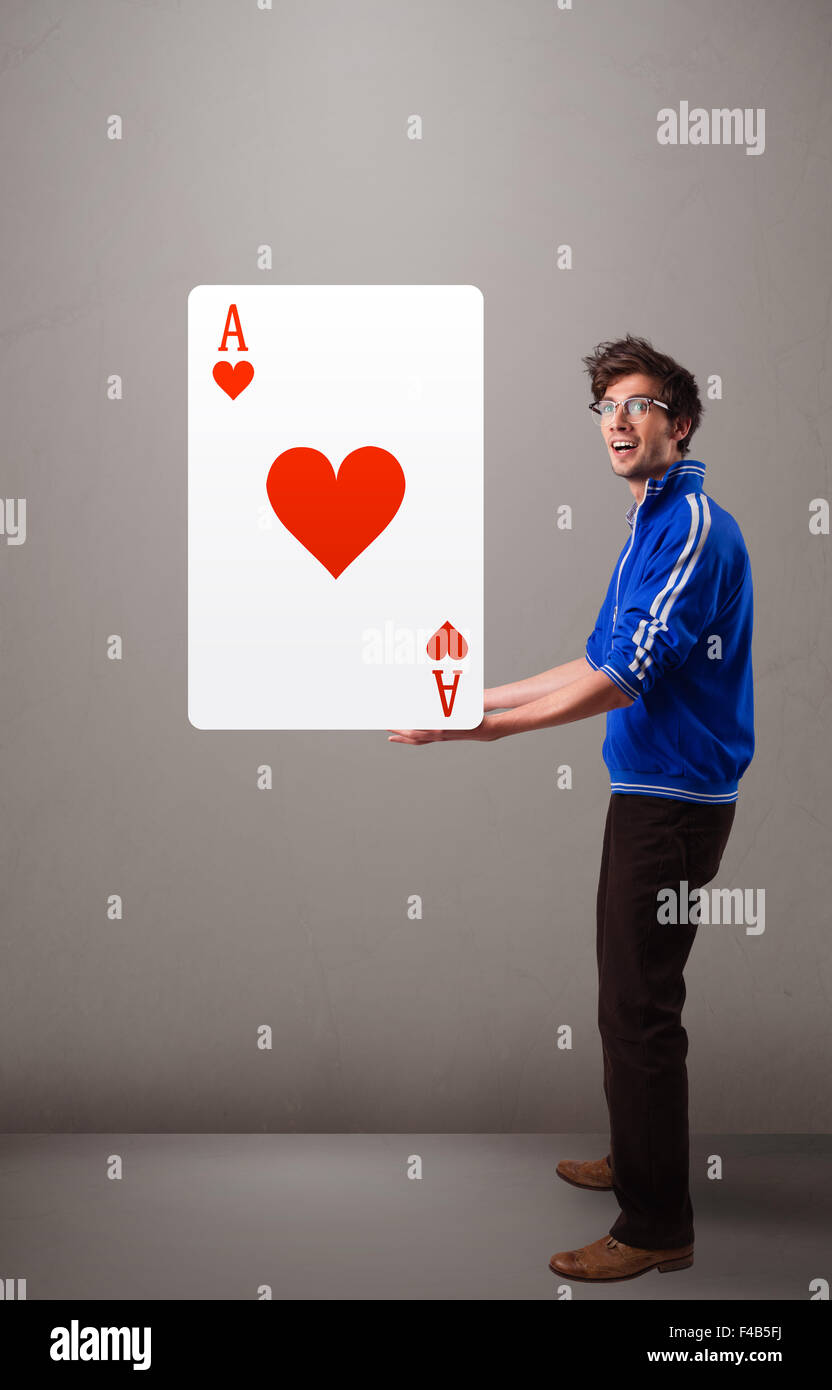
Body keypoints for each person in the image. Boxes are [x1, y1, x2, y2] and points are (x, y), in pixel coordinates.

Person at [387, 333, 755, 1283]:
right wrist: (476, 699)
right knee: (622, 997)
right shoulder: (650, 522)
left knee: (641, 1008)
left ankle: (656, 1225)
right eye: (607, 407)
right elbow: (595, 657)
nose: (619, 422)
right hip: (646, 795)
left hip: (675, 805)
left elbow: (627, 677)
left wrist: (488, 733)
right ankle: (638, 1162)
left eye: (640, 406)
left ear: (681, 423)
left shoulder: (693, 528)